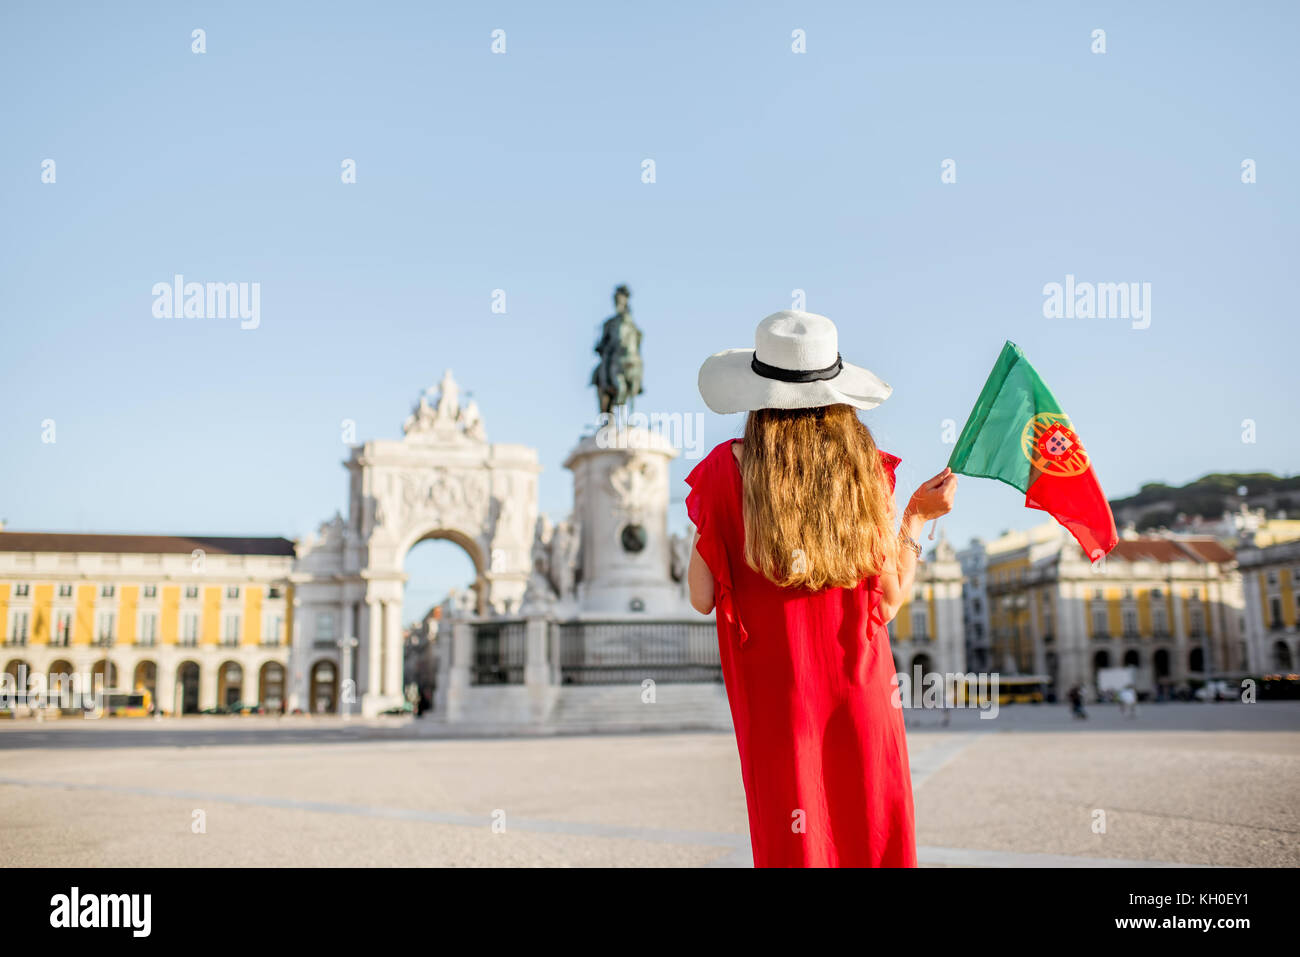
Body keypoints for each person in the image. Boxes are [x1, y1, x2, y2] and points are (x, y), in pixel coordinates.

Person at [686, 310, 957, 868]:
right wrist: (918, 518)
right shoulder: (865, 472)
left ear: (758, 397)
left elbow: (701, 596)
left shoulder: (721, 472)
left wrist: (715, 524)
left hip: (777, 697)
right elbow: (889, 598)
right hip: (860, 685)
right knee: (870, 830)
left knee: (794, 838)